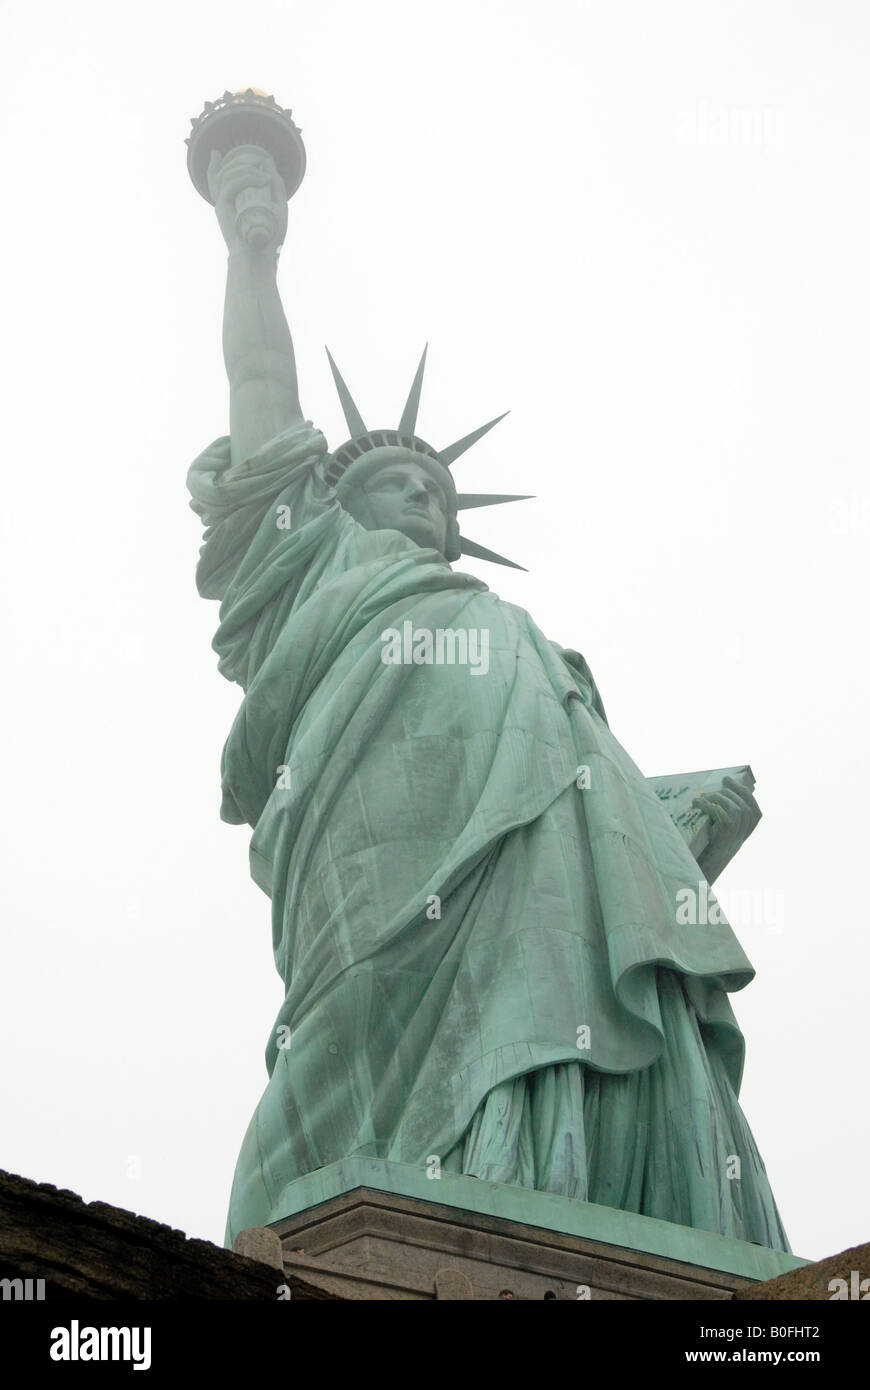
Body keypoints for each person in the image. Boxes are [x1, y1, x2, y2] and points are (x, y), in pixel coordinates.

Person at [188, 145, 790, 1252]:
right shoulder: (318, 570)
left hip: (539, 919)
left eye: (436, 492)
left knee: (573, 1016)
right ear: (337, 504)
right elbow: (264, 404)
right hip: (376, 875)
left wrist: (668, 825)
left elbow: (576, 819)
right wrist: (249, 240)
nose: (420, 495)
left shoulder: (529, 644)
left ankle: (551, 1195)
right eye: (392, 483)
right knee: (342, 1068)